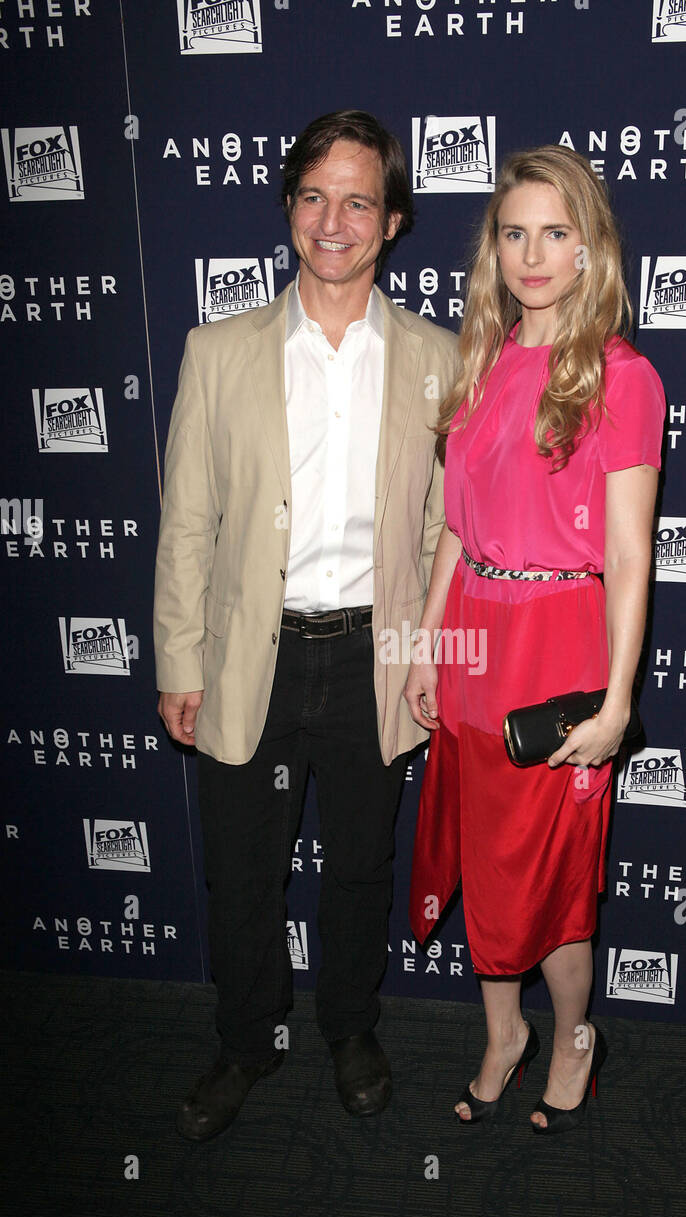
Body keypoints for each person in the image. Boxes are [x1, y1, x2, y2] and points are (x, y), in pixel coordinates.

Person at [154, 110, 458, 1140]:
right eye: (314, 196)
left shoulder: (437, 357)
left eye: (358, 199)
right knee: (240, 869)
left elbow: (438, 531)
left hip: (374, 653)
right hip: (252, 655)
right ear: (289, 209)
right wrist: (178, 660)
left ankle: (350, 1029)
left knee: (362, 864)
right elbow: (187, 520)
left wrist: (426, 653)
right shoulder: (218, 351)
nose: (334, 219)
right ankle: (246, 1041)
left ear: (392, 220)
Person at [405, 146, 664, 1134]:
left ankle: (570, 1036)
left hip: (558, 645)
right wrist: (426, 648)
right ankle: (501, 1034)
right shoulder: (478, 361)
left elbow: (630, 559)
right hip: (473, 633)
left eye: (554, 232)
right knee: (484, 854)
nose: (530, 253)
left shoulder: (620, 376)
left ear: (588, 246)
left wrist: (614, 702)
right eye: (512, 232)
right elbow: (456, 528)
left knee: (550, 876)